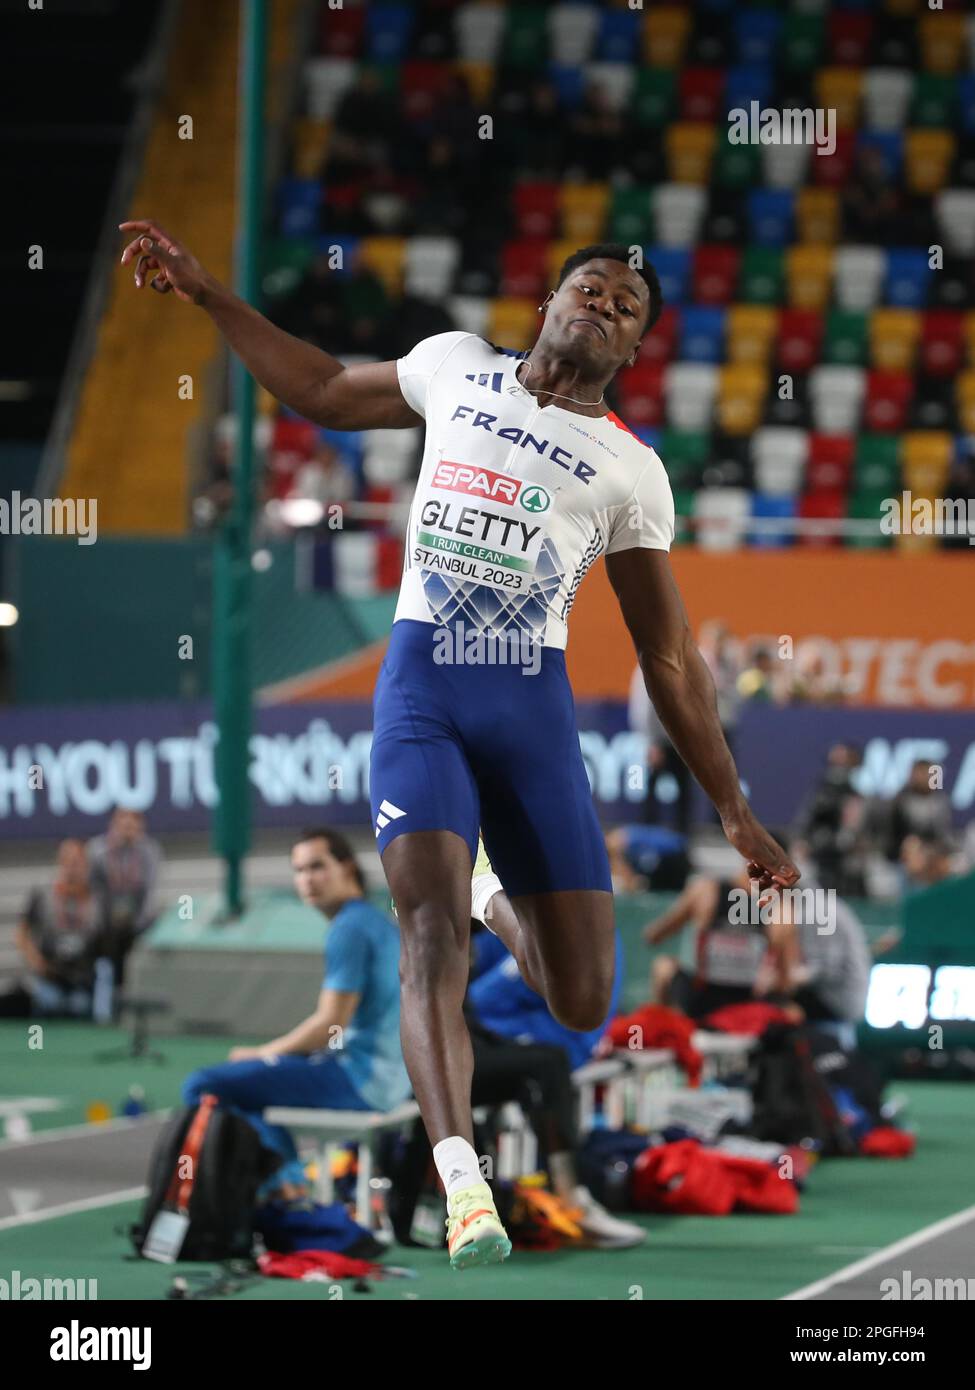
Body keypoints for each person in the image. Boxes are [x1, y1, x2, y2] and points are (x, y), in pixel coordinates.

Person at [121, 225, 799, 1270]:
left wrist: (732, 806)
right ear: (548, 301)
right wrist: (213, 297)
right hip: (424, 683)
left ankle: (494, 890)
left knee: (581, 998)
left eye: (627, 308)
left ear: (631, 355)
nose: (606, 305)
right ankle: (462, 1176)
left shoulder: (631, 468)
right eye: (592, 286)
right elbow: (320, 389)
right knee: (424, 931)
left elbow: (669, 659)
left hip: (528, 703)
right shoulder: (453, 367)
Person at [181, 828, 410, 1190]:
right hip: (396, 1080)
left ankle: (286, 1185)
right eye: (298, 870)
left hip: (361, 1081)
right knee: (248, 1093)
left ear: (347, 867)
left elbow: (330, 1025)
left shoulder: (348, 928)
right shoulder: (378, 921)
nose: (306, 879)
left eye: (317, 867)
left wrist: (261, 1053)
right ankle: (286, 1180)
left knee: (204, 1084)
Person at [642, 868, 790, 1020]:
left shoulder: (706, 892)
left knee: (662, 966)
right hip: (749, 1001)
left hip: (704, 999)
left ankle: (663, 1026)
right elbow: (785, 981)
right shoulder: (779, 908)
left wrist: (653, 934)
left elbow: (657, 934)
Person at [16, 840, 100, 1017]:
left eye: (77, 862)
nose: (72, 867)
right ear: (60, 862)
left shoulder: (96, 898)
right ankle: (37, 1044)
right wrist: (35, 960)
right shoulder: (43, 894)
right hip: (50, 972)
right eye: (67, 861)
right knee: (48, 1003)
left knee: (80, 1006)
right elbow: (22, 933)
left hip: (80, 977)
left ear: (85, 865)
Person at [87, 808, 162, 988]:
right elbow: (92, 889)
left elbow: (149, 890)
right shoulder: (98, 850)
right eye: (123, 825)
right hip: (107, 924)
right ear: (113, 826)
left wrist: (138, 926)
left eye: (132, 825)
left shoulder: (149, 851)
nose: (128, 830)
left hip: (136, 923)